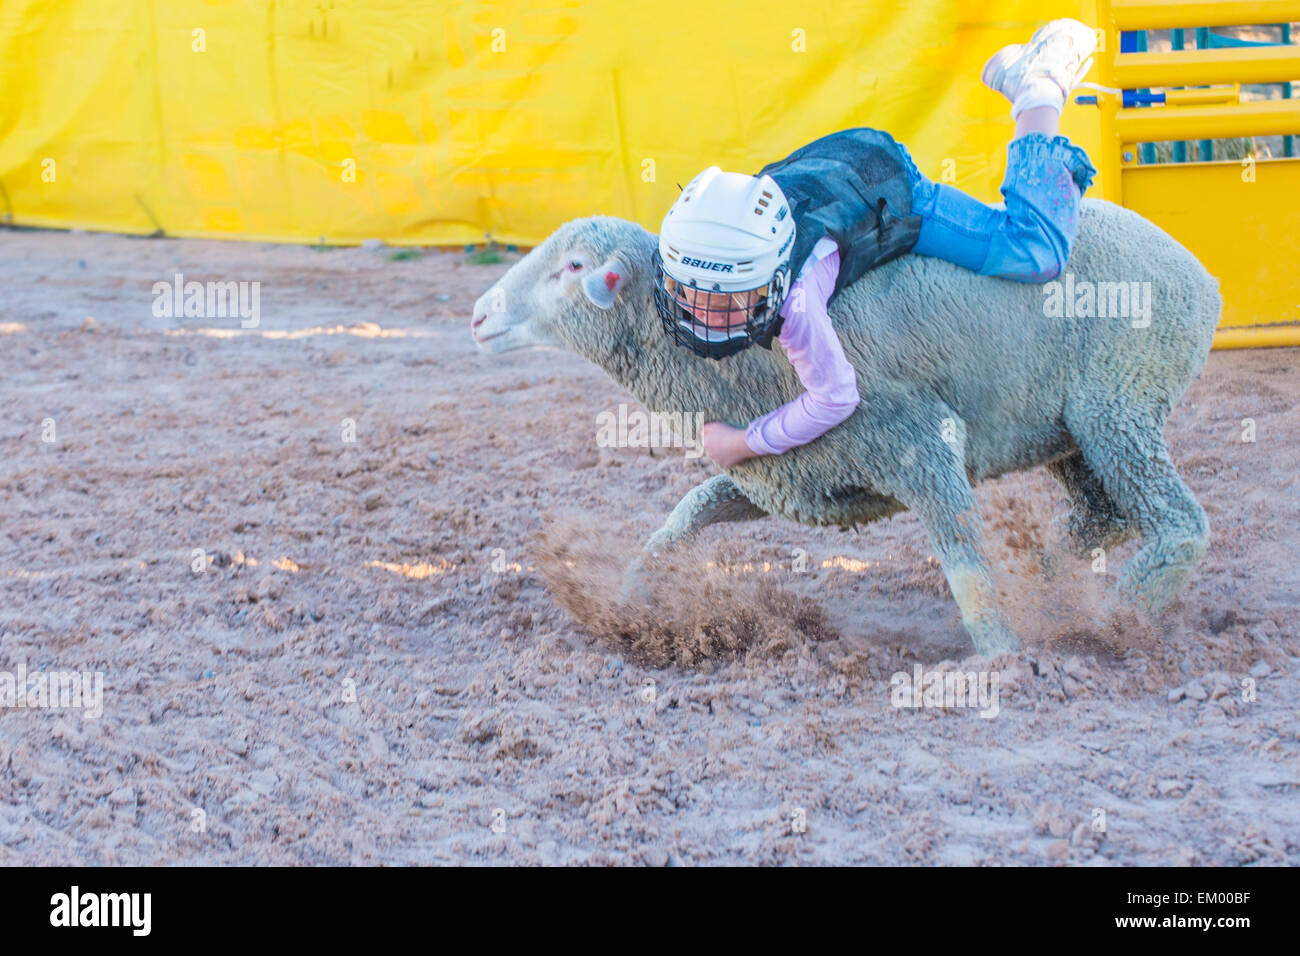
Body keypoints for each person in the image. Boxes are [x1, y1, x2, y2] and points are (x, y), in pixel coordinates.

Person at [652, 18, 1099, 468]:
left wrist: (743, 443)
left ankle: (1038, 87)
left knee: (1036, 250)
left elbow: (836, 398)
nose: (708, 317)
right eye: (694, 294)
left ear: (773, 281)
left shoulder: (797, 304)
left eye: (729, 302)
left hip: (883, 177)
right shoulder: (717, 238)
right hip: (826, 165)